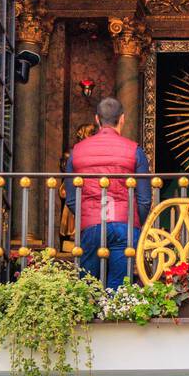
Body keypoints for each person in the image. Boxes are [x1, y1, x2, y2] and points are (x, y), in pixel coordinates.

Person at [65, 98, 151, 288]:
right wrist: (135, 222)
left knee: (88, 287)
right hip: (124, 225)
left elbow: (71, 199)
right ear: (122, 119)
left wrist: (86, 215)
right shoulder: (135, 150)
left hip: (91, 225)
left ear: (97, 119)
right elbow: (144, 199)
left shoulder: (77, 151)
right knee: (119, 289)